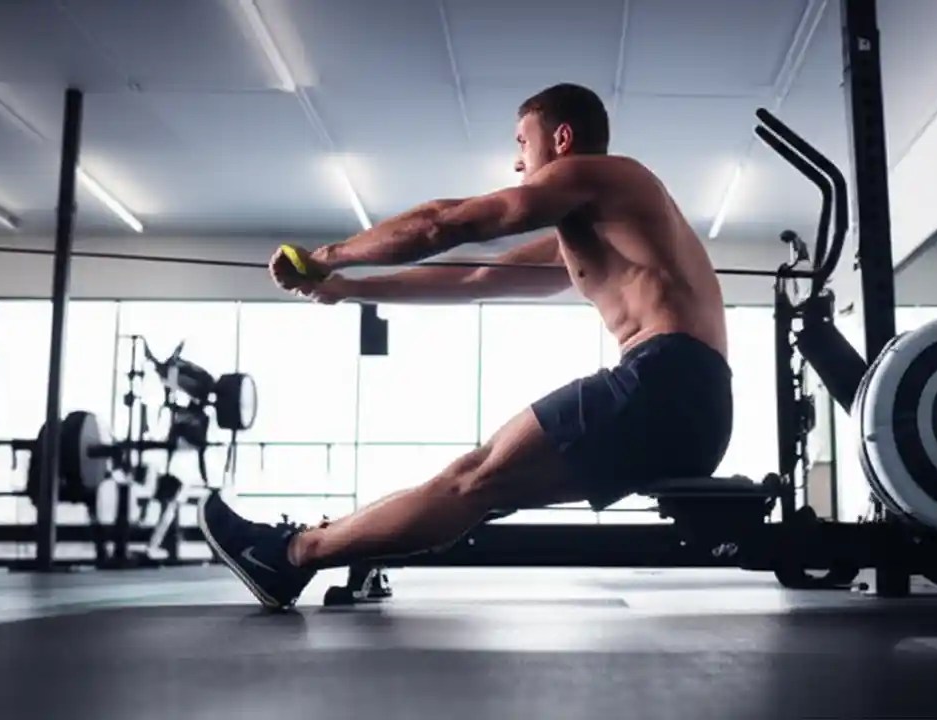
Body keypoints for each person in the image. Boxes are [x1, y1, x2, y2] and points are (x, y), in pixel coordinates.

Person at [199, 83, 734, 610]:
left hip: (666, 381)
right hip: (694, 403)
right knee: (477, 483)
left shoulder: (597, 173)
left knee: (472, 481)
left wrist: (332, 256)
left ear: (563, 138)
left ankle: (291, 554)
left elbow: (445, 224)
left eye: (523, 143)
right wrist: (350, 291)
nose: (519, 163)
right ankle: (305, 547)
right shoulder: (600, 220)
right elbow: (475, 278)